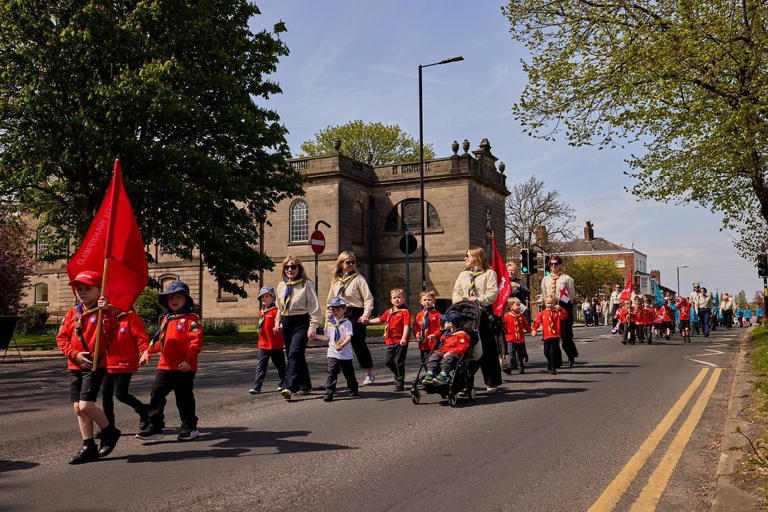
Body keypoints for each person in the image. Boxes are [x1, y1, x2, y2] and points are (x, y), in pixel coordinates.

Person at [56, 270, 120, 464]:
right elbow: (61, 338)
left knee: (86, 405)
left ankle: (110, 431)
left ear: (99, 290)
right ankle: (88, 445)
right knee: (78, 408)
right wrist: (73, 354)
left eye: (87, 288)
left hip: (94, 365)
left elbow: (111, 335)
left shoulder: (105, 312)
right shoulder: (72, 313)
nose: (82, 292)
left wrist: (107, 312)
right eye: (79, 288)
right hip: (75, 364)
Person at [138, 281, 203, 441]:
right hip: (165, 366)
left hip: (184, 368)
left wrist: (189, 361)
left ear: (186, 299)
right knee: (156, 394)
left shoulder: (192, 319)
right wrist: (147, 351)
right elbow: (160, 340)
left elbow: (196, 343)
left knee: (184, 398)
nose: (173, 300)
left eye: (178, 296)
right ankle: (155, 428)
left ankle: (189, 427)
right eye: (170, 297)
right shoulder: (167, 319)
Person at [452, 247, 500, 391]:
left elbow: (493, 293)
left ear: (476, 257)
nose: (465, 259)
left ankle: (492, 381)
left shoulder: (489, 273)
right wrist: (460, 301)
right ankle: (466, 382)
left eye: (467, 256)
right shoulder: (463, 274)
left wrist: (478, 299)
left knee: (486, 347)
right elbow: (456, 291)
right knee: (467, 346)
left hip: (482, 312)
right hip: (466, 312)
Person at [101, 308, 150, 448]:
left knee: (121, 394)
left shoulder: (131, 318)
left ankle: (143, 410)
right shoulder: (103, 316)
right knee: (105, 394)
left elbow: (141, 338)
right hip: (107, 362)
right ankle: (109, 426)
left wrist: (144, 352)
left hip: (125, 363)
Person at [325, 251, 376, 386]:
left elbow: (368, 298)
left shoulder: (359, 278)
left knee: (358, 345)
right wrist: (327, 320)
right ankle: (332, 378)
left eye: (353, 262)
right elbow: (330, 301)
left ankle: (369, 371)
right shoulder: (336, 281)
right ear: (341, 264)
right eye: (348, 262)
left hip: (355, 313)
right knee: (336, 345)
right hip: (338, 314)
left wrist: (366, 315)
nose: (351, 264)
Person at [279, 256, 321, 400]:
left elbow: (314, 307)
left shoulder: (306, 285)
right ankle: (305, 385)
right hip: (286, 321)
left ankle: (290, 386)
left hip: (301, 322)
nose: (290, 269)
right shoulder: (282, 285)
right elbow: (280, 306)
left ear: (299, 268)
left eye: (293, 267)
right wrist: (278, 322)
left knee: (294, 353)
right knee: (295, 355)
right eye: (287, 267)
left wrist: (313, 326)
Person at [363, 289, 410, 391]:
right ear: (391, 300)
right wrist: (368, 322)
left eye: (399, 297)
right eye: (394, 298)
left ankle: (400, 382)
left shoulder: (405, 312)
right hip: (390, 341)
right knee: (388, 361)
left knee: (399, 361)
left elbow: (406, 326)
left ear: (404, 299)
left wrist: (404, 338)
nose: (396, 299)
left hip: (400, 341)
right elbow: (380, 319)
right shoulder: (389, 312)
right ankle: (397, 375)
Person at [314, 296, 358, 402]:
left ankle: (353, 388)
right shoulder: (330, 323)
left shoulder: (347, 323)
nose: (335, 312)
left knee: (348, 373)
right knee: (331, 372)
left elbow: (349, 336)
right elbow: (327, 337)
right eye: (333, 309)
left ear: (344, 309)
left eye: (338, 309)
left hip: (345, 353)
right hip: (333, 352)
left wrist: (342, 345)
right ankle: (329, 392)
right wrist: (316, 337)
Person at [540, 255, 578, 367]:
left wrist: (561, 305)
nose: (553, 266)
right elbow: (544, 293)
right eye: (551, 264)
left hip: (563, 308)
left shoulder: (567, 279)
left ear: (560, 265)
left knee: (565, 336)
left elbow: (571, 296)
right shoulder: (545, 279)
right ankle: (556, 361)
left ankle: (571, 355)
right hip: (550, 309)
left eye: (555, 264)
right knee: (552, 336)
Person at [249, 286, 286, 395]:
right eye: (262, 297)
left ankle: (284, 383)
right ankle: (257, 387)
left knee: (281, 366)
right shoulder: (261, 311)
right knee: (260, 367)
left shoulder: (276, 311)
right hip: (263, 345)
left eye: (267, 296)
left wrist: (280, 327)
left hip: (275, 345)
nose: (264, 299)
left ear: (273, 298)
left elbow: (282, 323)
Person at [422, 310, 472, 384]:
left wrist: (450, 352)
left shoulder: (461, 334)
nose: (443, 323)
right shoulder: (446, 334)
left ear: (451, 324)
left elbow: (463, 347)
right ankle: (430, 373)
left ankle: (444, 375)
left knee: (449, 357)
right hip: (444, 352)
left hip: (456, 354)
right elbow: (442, 344)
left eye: (445, 322)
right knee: (434, 356)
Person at [532, 295, 568, 374]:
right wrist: (534, 329)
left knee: (552, 352)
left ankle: (552, 368)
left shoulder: (557, 312)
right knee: (546, 352)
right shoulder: (542, 313)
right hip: (546, 336)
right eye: (548, 303)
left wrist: (561, 309)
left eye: (552, 303)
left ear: (555, 303)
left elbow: (565, 316)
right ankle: (549, 362)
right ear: (545, 303)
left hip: (555, 336)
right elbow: (537, 322)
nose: (550, 305)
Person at [503, 297, 530, 374]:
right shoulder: (507, 316)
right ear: (511, 306)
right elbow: (504, 326)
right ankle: (508, 367)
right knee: (511, 353)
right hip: (511, 338)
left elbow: (525, 325)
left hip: (520, 339)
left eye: (520, 305)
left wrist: (531, 331)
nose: (519, 306)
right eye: (517, 305)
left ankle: (521, 366)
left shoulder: (521, 316)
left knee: (520, 354)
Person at [413, 290, 442, 361]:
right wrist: (417, 334)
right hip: (423, 344)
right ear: (421, 302)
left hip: (435, 344)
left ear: (434, 301)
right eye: (424, 300)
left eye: (429, 300)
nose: (427, 301)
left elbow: (441, 328)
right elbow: (415, 327)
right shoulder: (419, 315)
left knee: (434, 363)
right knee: (425, 363)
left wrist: (435, 335)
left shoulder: (438, 315)